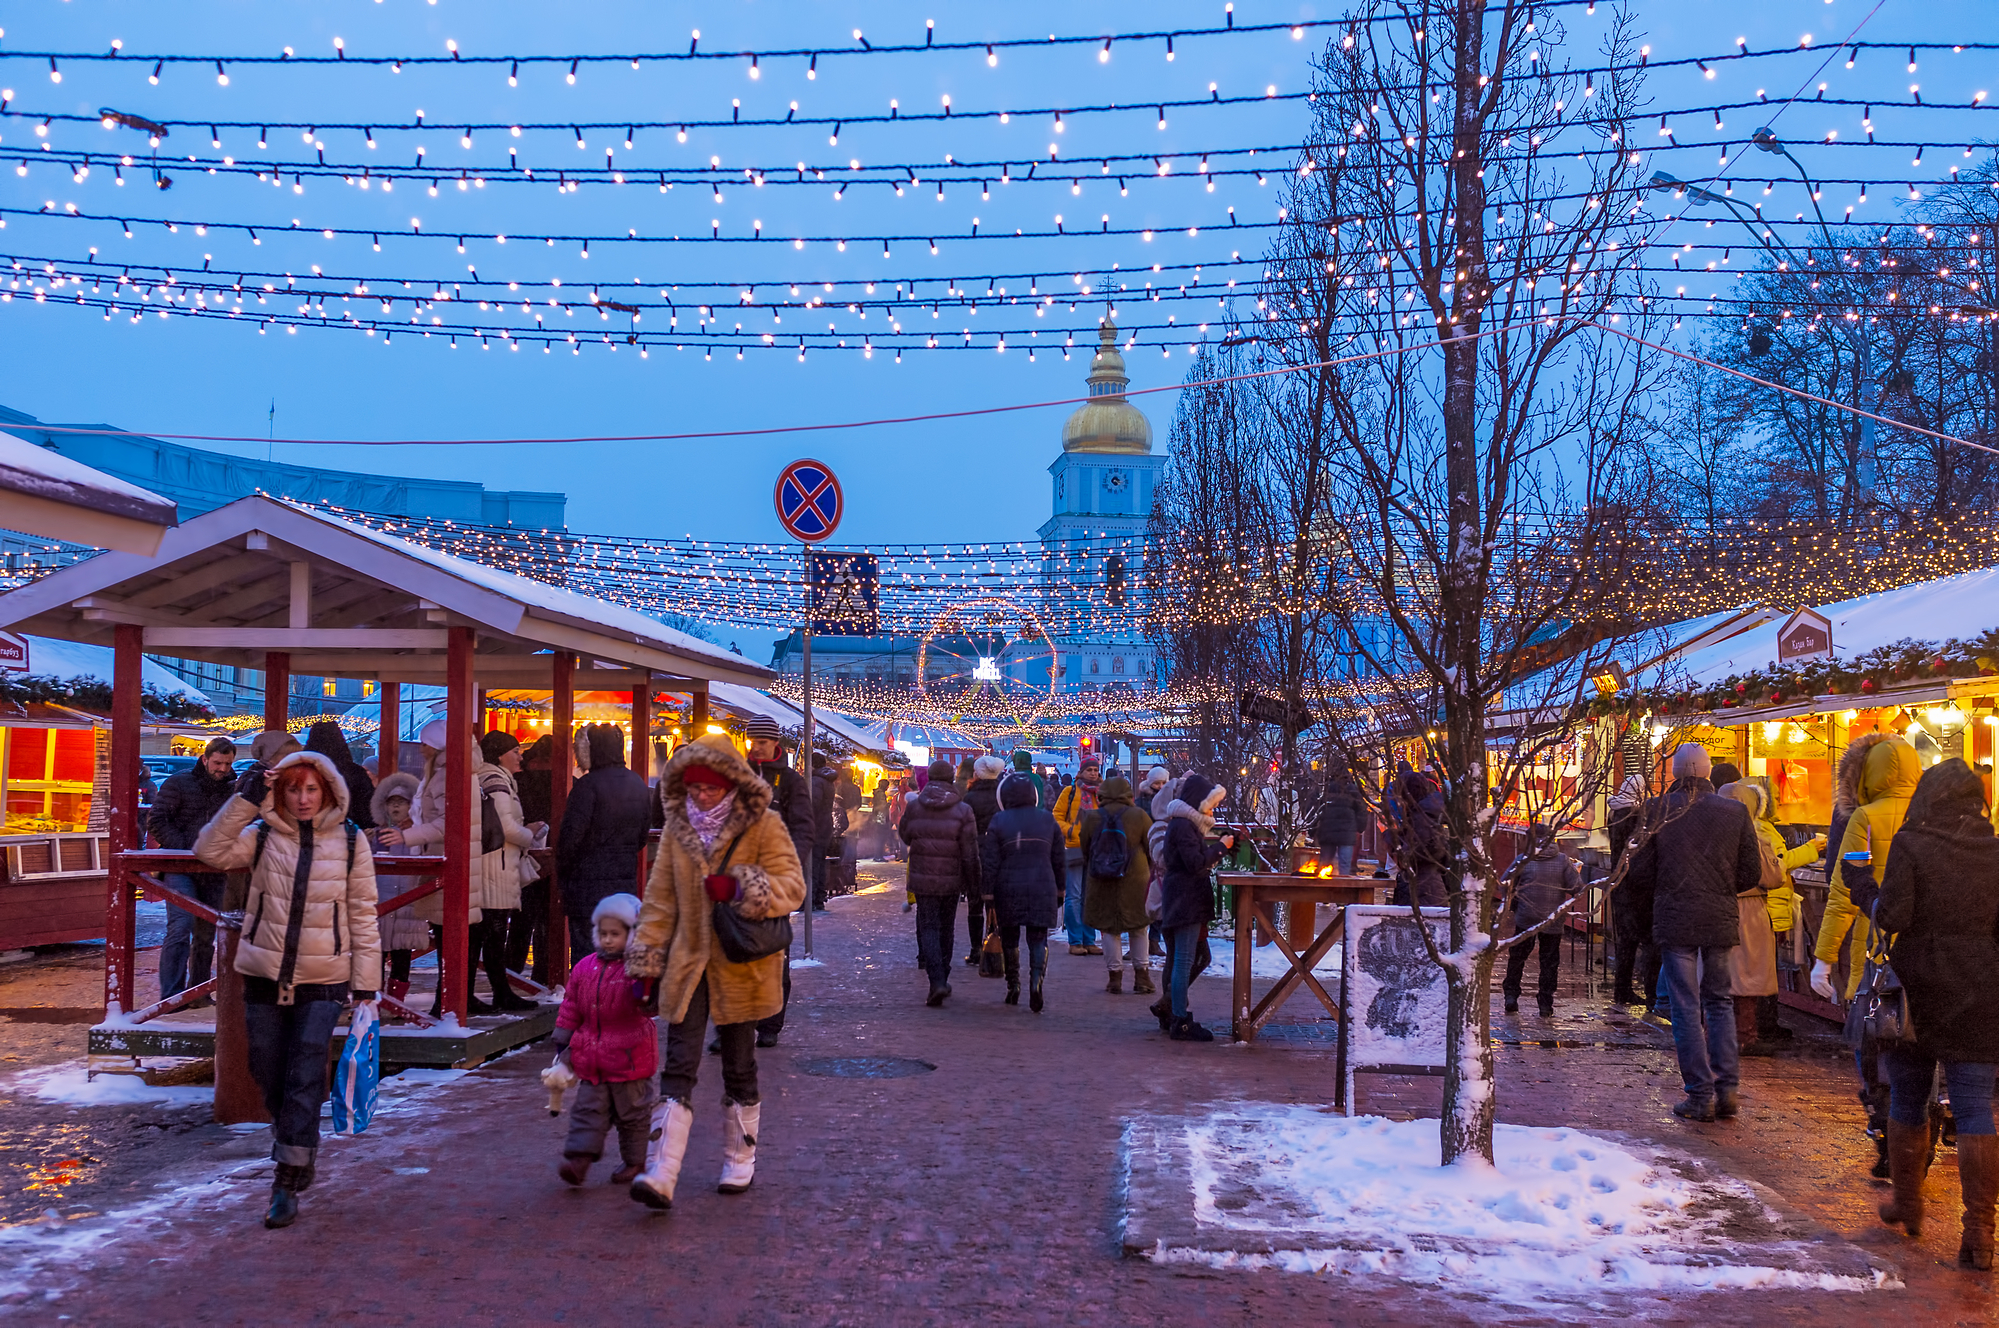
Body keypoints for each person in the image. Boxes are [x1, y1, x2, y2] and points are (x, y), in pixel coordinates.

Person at [193, 750, 380, 1230]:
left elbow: (363, 912)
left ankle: (289, 1175)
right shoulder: (262, 834)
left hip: (324, 976)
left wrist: (366, 984)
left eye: (311, 789)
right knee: (267, 1067)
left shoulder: (352, 841)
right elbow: (210, 851)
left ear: (328, 790)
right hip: (263, 972)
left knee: (304, 1072)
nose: (302, 799)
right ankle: (295, 1142)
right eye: (293, 789)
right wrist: (244, 800)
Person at [623, 735, 806, 1210]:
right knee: (679, 1062)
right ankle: (661, 1171)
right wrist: (646, 961)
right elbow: (659, 902)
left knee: (739, 1063)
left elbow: (793, 887)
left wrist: (742, 887)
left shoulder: (764, 825)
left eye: (710, 788)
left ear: (730, 784)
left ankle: (739, 1160)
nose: (701, 796)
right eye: (693, 788)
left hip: (743, 964)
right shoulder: (677, 830)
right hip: (688, 962)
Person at [1870, 758, 1999, 1269]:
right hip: (1982, 986)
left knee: (1908, 1095)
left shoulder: (1911, 843)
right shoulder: (1995, 850)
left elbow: (1894, 915)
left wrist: (1867, 892)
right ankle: (1980, 1233)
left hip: (1917, 986)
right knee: (1974, 1107)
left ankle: (1909, 1204)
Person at [1622, 743, 1761, 1123]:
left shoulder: (1657, 809)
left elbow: (1640, 871)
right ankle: (1726, 1089)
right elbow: (1751, 871)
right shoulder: (1734, 811)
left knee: (1685, 1005)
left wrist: (1669, 888)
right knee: (1719, 1001)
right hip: (1719, 917)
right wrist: (1719, 889)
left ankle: (1700, 1094)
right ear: (1707, 772)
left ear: (1675, 773)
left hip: (1675, 916)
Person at [1812, 734, 1919, 1174]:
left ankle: (1885, 1125)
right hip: (1924, 951)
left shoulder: (1864, 818)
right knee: (1918, 1040)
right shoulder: (1929, 815)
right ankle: (1919, 1132)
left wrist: (1823, 957)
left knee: (1871, 1038)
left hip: (1875, 951)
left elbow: (1844, 893)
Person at [552, 893, 658, 1188]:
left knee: (633, 1114)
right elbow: (571, 1004)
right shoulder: (585, 967)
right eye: (603, 933)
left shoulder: (637, 968)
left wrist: (645, 989)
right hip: (592, 1057)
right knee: (588, 1111)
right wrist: (563, 1037)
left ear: (631, 934)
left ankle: (635, 1161)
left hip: (630, 1057)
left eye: (615, 934)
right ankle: (579, 1161)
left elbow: (651, 1007)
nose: (608, 940)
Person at [1722, 780, 1824, 1055]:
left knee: (1721, 976)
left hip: (1718, 910)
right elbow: (1772, 876)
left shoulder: (1708, 834)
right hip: (1750, 911)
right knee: (1748, 977)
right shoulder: (1753, 836)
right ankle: (1745, 1036)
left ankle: (1718, 1034)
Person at [556, 724, 654, 970]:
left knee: (587, 952)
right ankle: (613, 991)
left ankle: (589, 992)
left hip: (586, 883)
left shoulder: (587, 786)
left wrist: (564, 869)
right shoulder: (637, 783)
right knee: (618, 949)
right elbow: (642, 835)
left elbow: (571, 836)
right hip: (624, 882)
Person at [147, 737, 238, 1002]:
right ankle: (172, 997)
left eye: (227, 764)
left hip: (214, 868)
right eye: (218, 763)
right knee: (181, 926)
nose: (222, 769)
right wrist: (186, 848)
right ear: (205, 759)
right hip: (180, 865)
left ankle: (198, 993)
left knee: (206, 932)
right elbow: (157, 820)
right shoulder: (179, 782)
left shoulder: (232, 789)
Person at [746, 715, 814, 1048]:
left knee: (773, 952)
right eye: (752, 741)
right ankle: (736, 1023)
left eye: (762, 742)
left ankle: (770, 1023)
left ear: (775, 743)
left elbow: (804, 829)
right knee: (735, 951)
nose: (756, 747)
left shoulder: (790, 781)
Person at [898, 759, 981, 1006]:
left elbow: (905, 835)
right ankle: (942, 976)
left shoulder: (915, 806)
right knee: (946, 928)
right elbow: (970, 851)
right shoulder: (963, 809)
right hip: (951, 878)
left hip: (923, 877)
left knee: (929, 928)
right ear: (950, 779)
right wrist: (974, 884)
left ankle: (936, 981)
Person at [1159, 772, 1234, 1042]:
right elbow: (1195, 863)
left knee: (1189, 958)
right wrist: (1221, 848)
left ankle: (1170, 1010)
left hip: (1182, 899)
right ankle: (1179, 1018)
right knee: (1183, 960)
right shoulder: (1183, 826)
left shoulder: (1184, 825)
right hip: (1186, 900)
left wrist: (1218, 848)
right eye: (1211, 804)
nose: (1213, 810)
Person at [981, 772, 1064, 1011]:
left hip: (1008, 886)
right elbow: (1059, 858)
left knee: (1010, 937)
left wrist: (988, 893)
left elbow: (990, 861)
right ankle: (1036, 982)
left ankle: (1013, 985)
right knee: (1038, 937)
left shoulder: (999, 820)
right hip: (1042, 885)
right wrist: (1060, 888)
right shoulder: (1047, 819)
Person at [471, 731, 538, 1013]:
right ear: (500, 755)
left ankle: (495, 992)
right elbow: (505, 827)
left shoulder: (490, 777)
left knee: (487, 934)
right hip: (495, 866)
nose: (521, 757)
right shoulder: (497, 782)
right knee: (493, 934)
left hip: (492, 864)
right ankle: (501, 993)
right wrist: (530, 834)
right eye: (516, 751)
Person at [1080, 775, 1155, 996]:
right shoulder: (1139, 815)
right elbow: (1151, 846)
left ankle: (1114, 978)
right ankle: (1142, 977)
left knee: (1109, 929)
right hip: (1135, 879)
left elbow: (1086, 848)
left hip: (1101, 879)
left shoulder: (1092, 816)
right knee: (1139, 928)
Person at [1502, 828, 1580, 1017]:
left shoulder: (1523, 859)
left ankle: (1511, 996)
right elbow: (1577, 888)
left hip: (1526, 916)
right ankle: (1545, 1003)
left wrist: (1515, 901)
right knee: (1549, 962)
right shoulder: (1563, 860)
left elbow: (1505, 883)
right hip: (1552, 918)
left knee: (1517, 957)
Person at [368, 773, 431, 1006]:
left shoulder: (419, 836)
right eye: (391, 802)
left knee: (402, 957)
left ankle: (396, 1003)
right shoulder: (374, 836)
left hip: (408, 906)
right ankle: (374, 1002)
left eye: (401, 802)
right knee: (375, 957)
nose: (395, 806)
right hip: (381, 905)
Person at [1606, 773, 1658, 1009]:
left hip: (1620, 883)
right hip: (1634, 887)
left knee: (1626, 940)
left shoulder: (1616, 813)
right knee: (1645, 940)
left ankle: (1622, 990)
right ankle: (1648, 992)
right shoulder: (1632, 816)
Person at [508, 734, 557, 981]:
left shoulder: (517, 782)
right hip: (554, 859)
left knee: (521, 918)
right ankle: (543, 974)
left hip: (521, 855)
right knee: (548, 921)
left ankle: (510, 972)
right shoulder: (567, 783)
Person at [1053, 757, 1104, 956]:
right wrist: (1072, 832)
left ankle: (1089, 939)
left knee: (1090, 896)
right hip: (1074, 847)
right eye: (1089, 770)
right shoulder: (1070, 792)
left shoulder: (1102, 793)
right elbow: (1057, 816)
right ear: (1081, 772)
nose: (1092, 773)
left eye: (1095, 770)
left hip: (1095, 849)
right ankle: (1075, 940)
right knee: (1074, 896)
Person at [961, 755, 1007, 963]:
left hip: (976, 853)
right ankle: (996, 944)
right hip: (999, 853)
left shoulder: (970, 797)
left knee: (975, 901)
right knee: (996, 901)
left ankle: (976, 948)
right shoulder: (1003, 795)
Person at [304, 721, 376, 831]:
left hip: (309, 831)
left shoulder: (303, 773)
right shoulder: (355, 773)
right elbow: (367, 812)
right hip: (348, 832)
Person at [1312, 774, 1366, 877]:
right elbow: (1361, 810)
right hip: (1347, 832)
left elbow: (1313, 809)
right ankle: (1343, 885)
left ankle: (1323, 885)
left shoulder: (1323, 788)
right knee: (1345, 865)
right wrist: (1360, 827)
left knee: (1325, 864)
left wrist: (1312, 830)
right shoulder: (1352, 789)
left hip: (1327, 831)